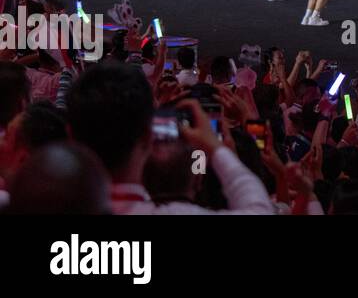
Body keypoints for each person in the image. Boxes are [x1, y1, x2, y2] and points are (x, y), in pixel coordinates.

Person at [67, 64, 274, 214]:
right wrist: (248, 117)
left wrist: (163, 111)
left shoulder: (51, 196)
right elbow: (265, 160)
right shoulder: (226, 149)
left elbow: (197, 166)